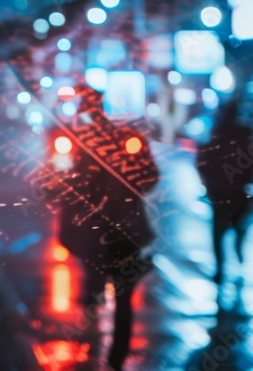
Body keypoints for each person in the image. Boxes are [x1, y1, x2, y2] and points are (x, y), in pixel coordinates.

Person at [56, 85, 156, 371]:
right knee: (118, 296)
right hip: (113, 233)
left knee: (113, 292)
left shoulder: (91, 142)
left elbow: (147, 174)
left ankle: (109, 354)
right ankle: (112, 356)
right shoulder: (85, 142)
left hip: (110, 233)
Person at [196, 96, 253, 288]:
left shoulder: (218, 133)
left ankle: (221, 269)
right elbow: (251, 161)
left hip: (220, 192)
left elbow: (203, 159)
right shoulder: (243, 133)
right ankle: (236, 258)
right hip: (236, 191)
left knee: (219, 232)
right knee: (236, 228)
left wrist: (209, 180)